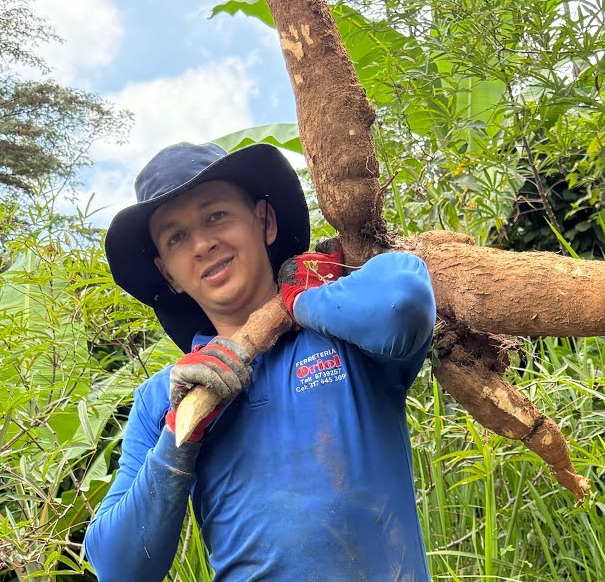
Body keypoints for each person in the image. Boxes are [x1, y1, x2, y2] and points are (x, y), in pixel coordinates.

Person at [83, 141, 435, 581]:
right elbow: (116, 568)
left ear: (264, 221)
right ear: (167, 273)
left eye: (216, 216)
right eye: (176, 237)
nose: (203, 244)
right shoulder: (161, 398)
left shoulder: (344, 334)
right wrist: (180, 433)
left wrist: (300, 301)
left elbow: (406, 301)